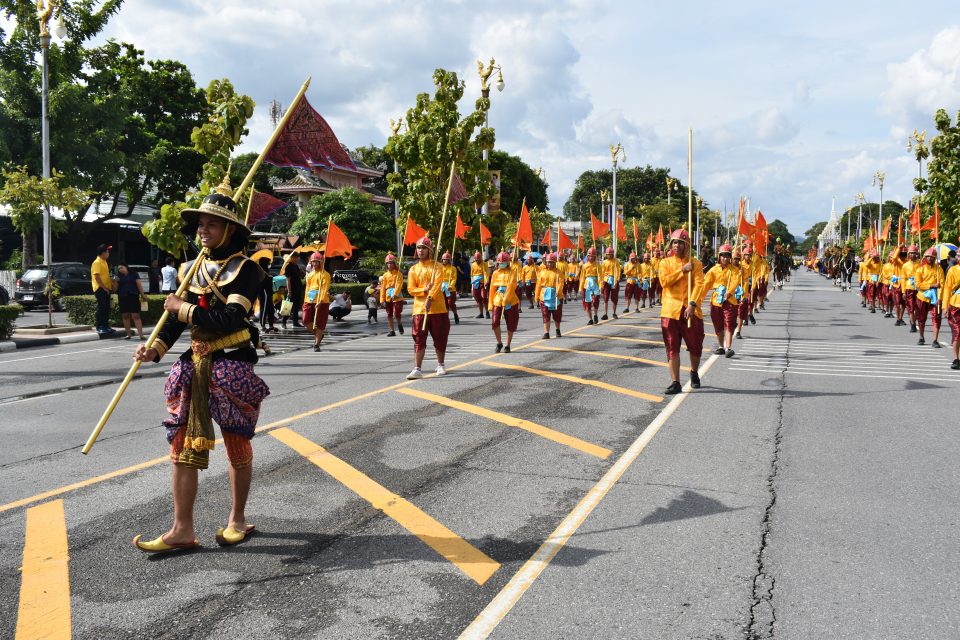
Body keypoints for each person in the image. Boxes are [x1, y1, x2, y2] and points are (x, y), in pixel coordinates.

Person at [131, 176, 269, 553]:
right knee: (181, 445)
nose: (202, 230)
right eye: (200, 224)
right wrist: (155, 349)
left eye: (210, 223)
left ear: (229, 229)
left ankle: (238, 519)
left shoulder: (248, 270)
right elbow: (176, 323)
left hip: (232, 364)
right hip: (193, 364)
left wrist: (184, 307)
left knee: (236, 443)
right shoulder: (191, 269)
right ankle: (181, 529)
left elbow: (227, 319)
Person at [659, 229, 705, 394]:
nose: (677, 245)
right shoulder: (665, 263)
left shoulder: (696, 264)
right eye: (674, 242)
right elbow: (664, 282)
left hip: (690, 310)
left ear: (687, 245)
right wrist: (682, 271)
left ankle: (693, 372)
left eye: (681, 242)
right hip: (670, 311)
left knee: (695, 346)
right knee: (672, 347)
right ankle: (675, 382)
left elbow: (700, 284)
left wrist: (692, 304)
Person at [406, 236, 449, 379]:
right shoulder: (413, 269)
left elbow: (437, 285)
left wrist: (430, 298)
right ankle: (417, 368)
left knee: (440, 337)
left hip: (438, 308)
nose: (421, 251)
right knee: (419, 338)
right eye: (418, 248)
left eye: (424, 248)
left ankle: (441, 364)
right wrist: (424, 290)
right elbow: (411, 289)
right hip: (419, 309)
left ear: (429, 250)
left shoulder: (438, 266)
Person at [702, 244, 741, 358]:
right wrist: (698, 299)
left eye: (728, 256)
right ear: (719, 257)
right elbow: (706, 284)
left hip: (730, 300)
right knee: (718, 324)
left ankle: (728, 347)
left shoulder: (735, 270)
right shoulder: (713, 270)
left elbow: (735, 281)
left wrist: (729, 292)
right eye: (723, 255)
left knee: (729, 323)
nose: (725, 258)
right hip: (716, 301)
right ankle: (721, 346)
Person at [489, 251, 520, 351]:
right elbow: (492, 289)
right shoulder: (495, 273)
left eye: (504, 262)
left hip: (511, 300)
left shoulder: (512, 272)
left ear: (508, 262)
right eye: (500, 262)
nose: (501, 263)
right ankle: (499, 342)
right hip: (497, 299)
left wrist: (506, 299)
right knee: (495, 322)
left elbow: (512, 287)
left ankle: (508, 345)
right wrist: (490, 303)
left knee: (510, 323)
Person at [914, 246, 944, 347]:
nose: (930, 258)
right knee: (921, 319)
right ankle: (921, 337)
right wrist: (931, 285)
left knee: (936, 318)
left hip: (935, 299)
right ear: (925, 257)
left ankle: (935, 340)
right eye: (928, 256)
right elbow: (918, 284)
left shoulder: (939, 270)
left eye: (932, 257)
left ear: (935, 258)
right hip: (922, 297)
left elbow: (942, 285)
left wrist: (940, 299)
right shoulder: (920, 270)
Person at [303, 251, 331, 352]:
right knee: (305, 321)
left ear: (321, 262)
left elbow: (324, 288)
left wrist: (321, 301)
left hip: (322, 301)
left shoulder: (325, 275)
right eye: (313, 262)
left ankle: (317, 344)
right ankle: (319, 335)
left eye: (317, 262)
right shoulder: (310, 275)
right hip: (309, 300)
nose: (314, 264)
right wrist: (305, 300)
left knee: (320, 323)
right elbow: (308, 288)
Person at [536, 252, 563, 339]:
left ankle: (557, 329)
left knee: (557, 314)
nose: (550, 264)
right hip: (544, 296)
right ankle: (546, 332)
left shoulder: (559, 272)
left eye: (551, 262)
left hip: (556, 296)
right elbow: (538, 284)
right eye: (548, 262)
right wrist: (536, 296)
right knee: (545, 314)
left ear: (555, 262)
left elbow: (561, 283)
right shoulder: (542, 272)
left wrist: (557, 292)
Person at [115, 263, 146, 340]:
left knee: (136, 315)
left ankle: (141, 334)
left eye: (121, 267)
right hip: (122, 296)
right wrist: (114, 282)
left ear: (126, 267)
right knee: (125, 316)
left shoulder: (134, 274)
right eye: (119, 269)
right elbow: (115, 289)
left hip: (133, 296)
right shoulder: (118, 276)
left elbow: (139, 285)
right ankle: (128, 334)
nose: (120, 270)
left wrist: (143, 295)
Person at [91, 244, 115, 335]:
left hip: (106, 288)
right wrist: (104, 288)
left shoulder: (104, 261)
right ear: (103, 253)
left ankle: (105, 325)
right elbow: (96, 277)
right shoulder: (97, 262)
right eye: (107, 252)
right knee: (102, 308)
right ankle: (99, 326)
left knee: (106, 308)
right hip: (100, 288)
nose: (108, 253)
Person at [381, 253, 405, 336]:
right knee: (389, 314)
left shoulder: (399, 274)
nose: (389, 265)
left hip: (397, 296)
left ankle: (399, 323)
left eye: (391, 263)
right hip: (388, 296)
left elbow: (399, 284)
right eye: (388, 263)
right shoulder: (385, 275)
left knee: (396, 313)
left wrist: (395, 294)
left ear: (394, 264)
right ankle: (392, 331)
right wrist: (382, 299)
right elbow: (383, 288)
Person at [942, 259, 960, 369]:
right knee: (957, 332)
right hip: (955, 305)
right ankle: (955, 359)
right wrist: (945, 306)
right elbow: (947, 289)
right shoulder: (952, 270)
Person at [901, 245, 920, 331]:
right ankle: (913, 324)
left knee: (918, 307)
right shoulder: (905, 265)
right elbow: (903, 279)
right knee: (911, 307)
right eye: (911, 253)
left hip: (919, 288)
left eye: (914, 253)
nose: (912, 255)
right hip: (909, 288)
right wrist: (903, 291)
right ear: (908, 254)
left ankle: (913, 319)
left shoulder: (920, 264)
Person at [579, 247, 601, 324]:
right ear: (587, 256)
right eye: (589, 256)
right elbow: (582, 277)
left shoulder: (598, 265)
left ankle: (595, 315)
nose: (591, 257)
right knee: (587, 303)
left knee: (595, 301)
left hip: (595, 285)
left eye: (592, 256)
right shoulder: (584, 266)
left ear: (595, 256)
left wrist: (601, 286)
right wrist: (581, 288)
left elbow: (600, 276)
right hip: (587, 285)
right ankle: (590, 319)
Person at [600, 246, 622, 320]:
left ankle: (614, 313)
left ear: (613, 254)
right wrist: (602, 282)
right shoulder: (604, 262)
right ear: (606, 255)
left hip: (614, 281)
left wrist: (616, 281)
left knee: (614, 298)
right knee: (605, 297)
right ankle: (605, 314)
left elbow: (618, 272)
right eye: (608, 254)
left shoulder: (616, 262)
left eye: (610, 254)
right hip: (606, 281)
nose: (609, 255)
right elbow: (602, 272)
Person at [283, 253, 305, 328]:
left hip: (297, 288)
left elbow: (298, 277)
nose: (296, 259)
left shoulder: (296, 266)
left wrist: (302, 272)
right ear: (291, 258)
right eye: (294, 257)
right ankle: (284, 321)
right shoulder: (288, 267)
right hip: (292, 289)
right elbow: (288, 280)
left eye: (297, 257)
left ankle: (295, 322)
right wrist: (289, 291)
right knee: (288, 307)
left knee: (296, 306)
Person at [256, 257, 276, 333]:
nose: (269, 265)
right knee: (264, 308)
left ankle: (271, 325)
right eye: (268, 263)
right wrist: (268, 278)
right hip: (263, 291)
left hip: (268, 291)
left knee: (271, 308)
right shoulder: (260, 271)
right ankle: (263, 325)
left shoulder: (266, 270)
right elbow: (261, 282)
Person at [441, 251, 460, 324]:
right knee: (444, 304)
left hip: (450, 288)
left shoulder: (453, 268)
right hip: (442, 288)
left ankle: (455, 314)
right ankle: (446, 319)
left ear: (449, 260)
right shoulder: (439, 267)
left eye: (446, 259)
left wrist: (451, 286)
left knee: (450, 303)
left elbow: (454, 278)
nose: (445, 260)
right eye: (444, 259)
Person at [470, 251, 491, 319]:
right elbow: (472, 275)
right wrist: (472, 284)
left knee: (484, 297)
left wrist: (486, 281)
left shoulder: (484, 264)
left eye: (478, 259)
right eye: (476, 259)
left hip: (482, 282)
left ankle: (487, 312)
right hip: (475, 282)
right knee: (477, 298)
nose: (477, 260)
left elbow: (486, 273)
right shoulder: (473, 265)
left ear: (481, 258)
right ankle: (481, 313)